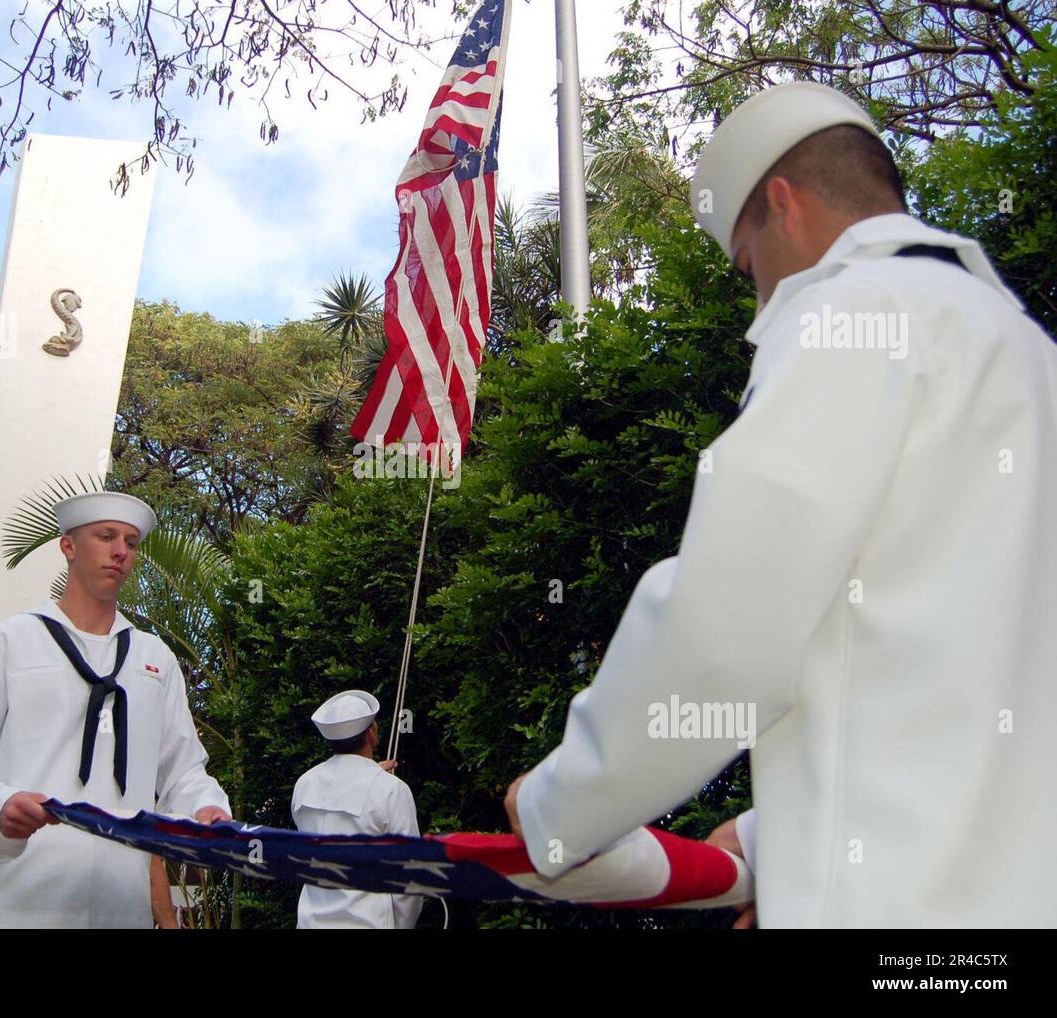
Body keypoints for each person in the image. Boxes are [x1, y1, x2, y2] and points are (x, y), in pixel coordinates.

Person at [505, 81, 1057, 928]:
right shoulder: (1029, 354)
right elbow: (974, 688)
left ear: (781, 203)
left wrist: (555, 810)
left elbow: (724, 634)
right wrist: (780, 844)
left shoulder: (849, 311)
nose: (758, 301)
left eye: (745, 268)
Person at [0, 491, 231, 928]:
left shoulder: (155, 659)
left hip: (120, 903)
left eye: (131, 541)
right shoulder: (10, 643)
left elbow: (182, 769)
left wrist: (205, 809)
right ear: (68, 546)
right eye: (105, 536)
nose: (120, 551)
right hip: (18, 901)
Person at [291, 690, 422, 928]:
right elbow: (409, 878)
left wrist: (370, 778)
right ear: (371, 732)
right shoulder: (392, 790)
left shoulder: (304, 784)